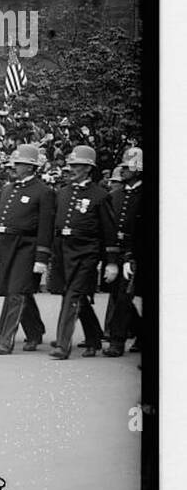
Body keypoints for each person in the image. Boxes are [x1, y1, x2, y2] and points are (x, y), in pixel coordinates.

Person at [49, 145, 120, 360]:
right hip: (63, 251)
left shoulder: (100, 196)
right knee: (74, 296)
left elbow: (109, 231)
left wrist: (111, 262)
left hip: (86, 252)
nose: (72, 169)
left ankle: (62, 344)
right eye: (70, 165)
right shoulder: (62, 192)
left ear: (89, 168)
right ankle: (94, 337)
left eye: (77, 166)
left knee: (72, 296)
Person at [0, 143, 55, 355]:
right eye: (14, 163)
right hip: (5, 246)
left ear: (31, 167)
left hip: (26, 246)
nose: (14, 167)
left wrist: (41, 257)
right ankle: (34, 331)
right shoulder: (8, 189)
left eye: (20, 164)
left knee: (16, 292)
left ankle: (6, 340)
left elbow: (46, 226)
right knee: (17, 290)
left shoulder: (44, 192)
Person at [104, 147, 144, 357]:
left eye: (128, 167)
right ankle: (138, 334)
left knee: (126, 296)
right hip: (116, 251)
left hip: (137, 253)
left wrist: (131, 255)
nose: (123, 171)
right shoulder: (116, 195)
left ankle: (117, 341)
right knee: (118, 295)